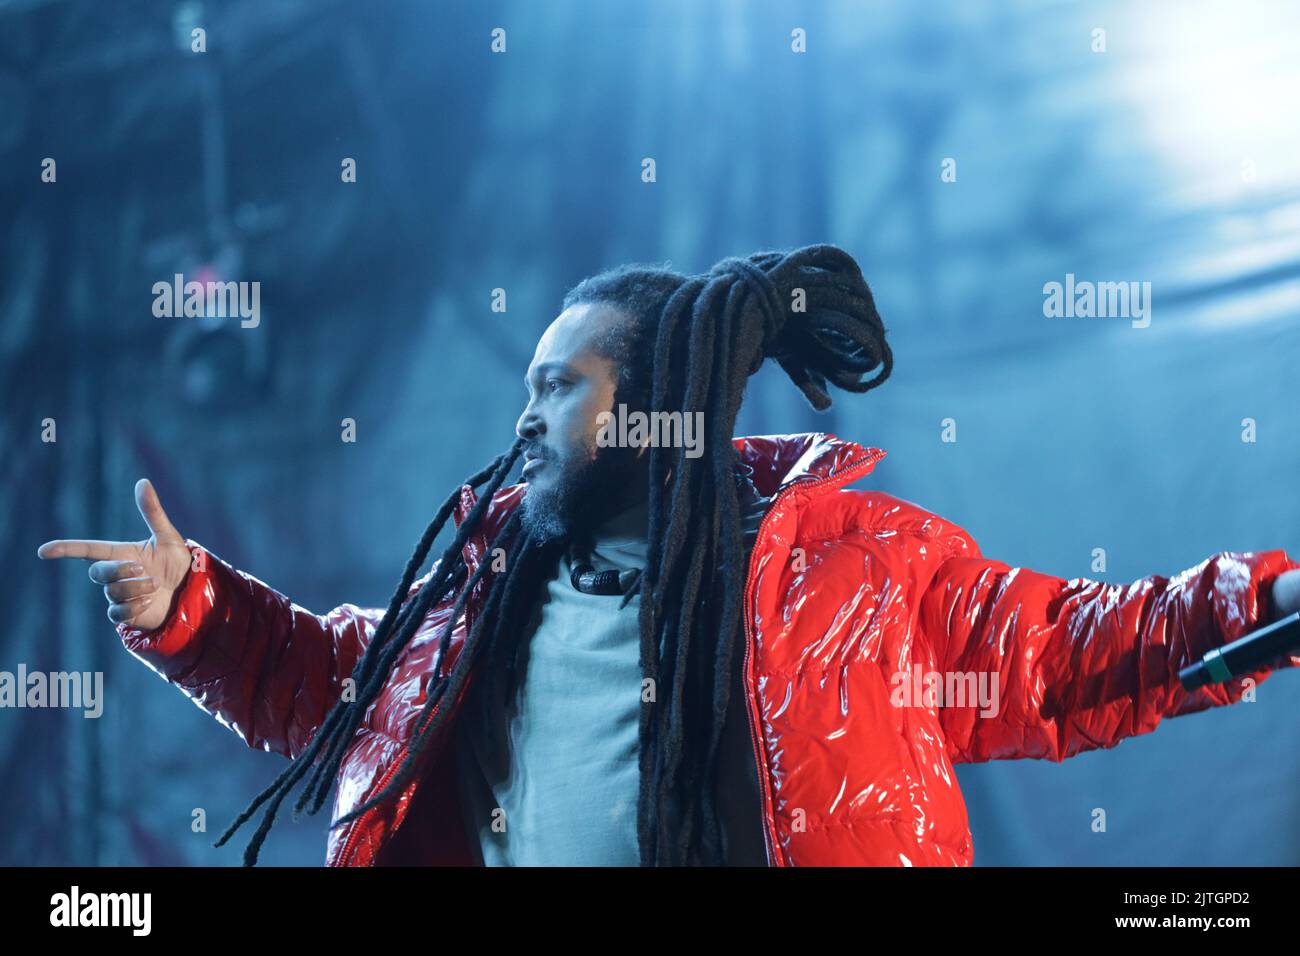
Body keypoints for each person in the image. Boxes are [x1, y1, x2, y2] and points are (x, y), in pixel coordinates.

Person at [38, 244, 1300, 867]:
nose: (523, 418)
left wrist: (1265, 597)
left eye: (555, 386)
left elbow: (1057, 649)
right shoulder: (478, 593)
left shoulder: (856, 571)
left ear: (657, 405)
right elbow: (331, 682)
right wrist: (191, 607)